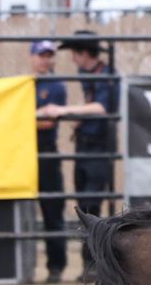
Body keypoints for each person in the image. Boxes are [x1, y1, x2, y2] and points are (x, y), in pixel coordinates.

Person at [43, 32, 120, 223]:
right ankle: (89, 248)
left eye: (74, 53)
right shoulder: (86, 73)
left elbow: (102, 107)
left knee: (91, 202)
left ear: (84, 53)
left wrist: (65, 110)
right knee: (83, 199)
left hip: (99, 145)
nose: (72, 58)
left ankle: (91, 249)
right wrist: (80, 117)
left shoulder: (107, 75)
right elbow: (93, 103)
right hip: (84, 143)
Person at [30, 39, 69, 283]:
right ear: (32, 57)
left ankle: (55, 266)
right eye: (41, 55)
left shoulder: (56, 86)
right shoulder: (25, 84)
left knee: (52, 208)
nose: (46, 60)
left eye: (49, 56)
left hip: (44, 148)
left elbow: (49, 121)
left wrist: (21, 119)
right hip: (25, 149)